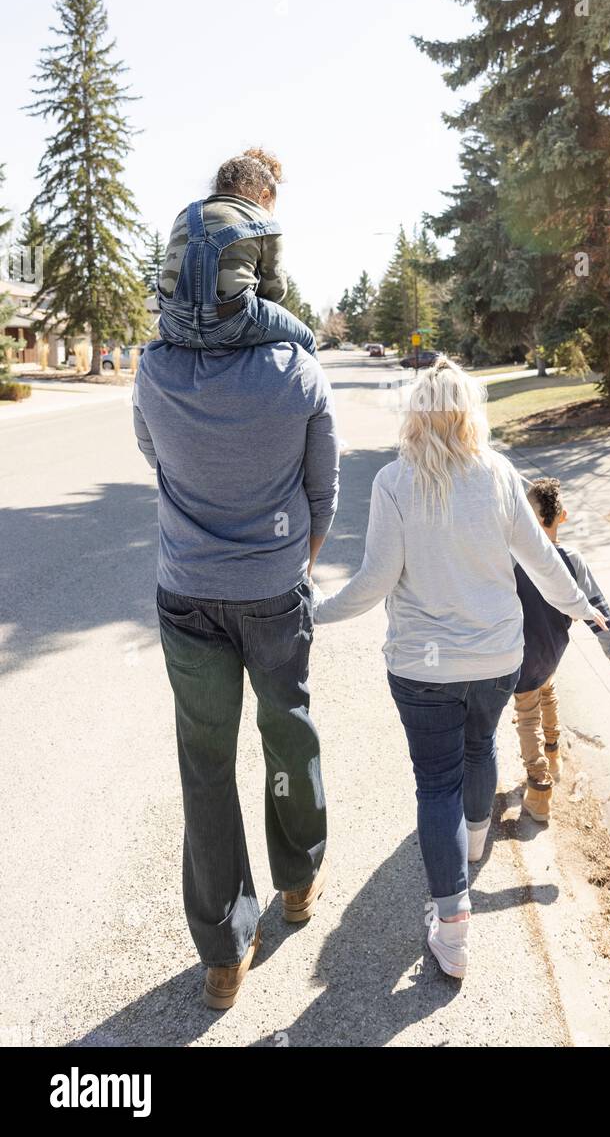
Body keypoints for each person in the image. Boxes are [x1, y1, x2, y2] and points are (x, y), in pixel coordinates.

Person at [311, 358, 607, 980]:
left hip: (422, 667)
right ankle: (475, 842)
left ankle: (452, 926)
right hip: (498, 657)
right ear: (470, 414)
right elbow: (544, 562)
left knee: (435, 782)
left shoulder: (394, 481)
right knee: (479, 748)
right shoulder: (498, 475)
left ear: (416, 417)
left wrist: (314, 613)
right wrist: (587, 610)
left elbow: (373, 583)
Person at [133, 324, 339, 1009]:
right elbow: (322, 491)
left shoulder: (156, 365)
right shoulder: (298, 366)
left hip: (187, 590)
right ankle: (299, 877)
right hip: (273, 593)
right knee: (287, 728)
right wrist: (291, 564)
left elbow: (152, 453)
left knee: (205, 762)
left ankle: (224, 953)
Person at [514, 477, 610, 823]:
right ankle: (553, 754)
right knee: (547, 691)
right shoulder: (573, 559)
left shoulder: (516, 560)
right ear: (562, 516)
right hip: (552, 651)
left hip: (521, 654)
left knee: (526, 715)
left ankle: (539, 791)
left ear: (526, 519)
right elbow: (598, 606)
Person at [157, 148, 317, 355]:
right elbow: (274, 291)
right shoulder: (263, 221)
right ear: (265, 195)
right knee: (306, 338)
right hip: (232, 324)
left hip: (173, 326)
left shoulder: (185, 215)